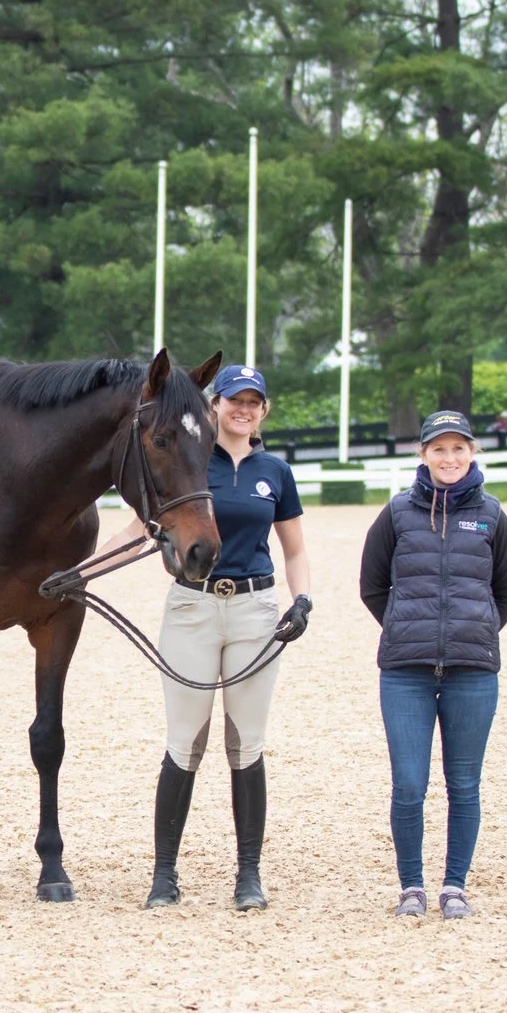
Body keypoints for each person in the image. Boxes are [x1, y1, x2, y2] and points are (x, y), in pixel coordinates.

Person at [136, 365, 313, 912]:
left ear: (263, 411)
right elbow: (142, 526)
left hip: (255, 609)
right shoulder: (192, 458)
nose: (244, 409)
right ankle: (164, 874)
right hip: (194, 606)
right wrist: (82, 569)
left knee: (246, 744)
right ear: (215, 405)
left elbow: (295, 550)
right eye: (235, 399)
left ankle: (249, 875)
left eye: (253, 402)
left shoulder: (275, 473)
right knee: (184, 741)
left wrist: (302, 601)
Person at [359, 411, 507, 919]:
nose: (449, 458)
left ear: (472, 453)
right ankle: (411, 885)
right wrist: (412, 629)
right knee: (408, 782)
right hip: (404, 671)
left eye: (458, 448)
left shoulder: (493, 517)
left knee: (464, 783)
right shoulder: (396, 514)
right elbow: (372, 586)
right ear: (423, 455)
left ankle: (455, 885)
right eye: (439, 449)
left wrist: (469, 632)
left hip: (472, 671)